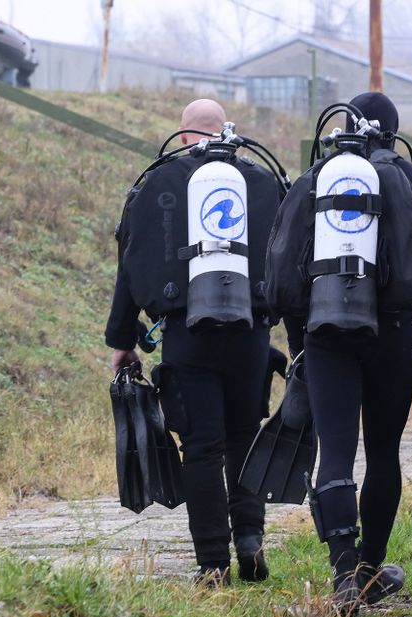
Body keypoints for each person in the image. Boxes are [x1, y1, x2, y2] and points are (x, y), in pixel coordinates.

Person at [288, 92, 412, 611]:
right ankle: (370, 568)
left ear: (345, 126)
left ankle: (344, 574)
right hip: (392, 333)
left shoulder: (322, 176)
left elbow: (286, 266)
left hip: (326, 333)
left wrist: (297, 338)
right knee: (384, 451)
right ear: (394, 132)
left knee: (337, 450)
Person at [105, 98, 283, 586]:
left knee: (202, 447)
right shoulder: (262, 181)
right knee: (245, 439)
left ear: (183, 137)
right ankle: (250, 541)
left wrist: (123, 340)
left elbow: (131, 262)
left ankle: (211, 564)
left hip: (188, 336)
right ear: (227, 132)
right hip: (251, 334)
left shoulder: (159, 183)